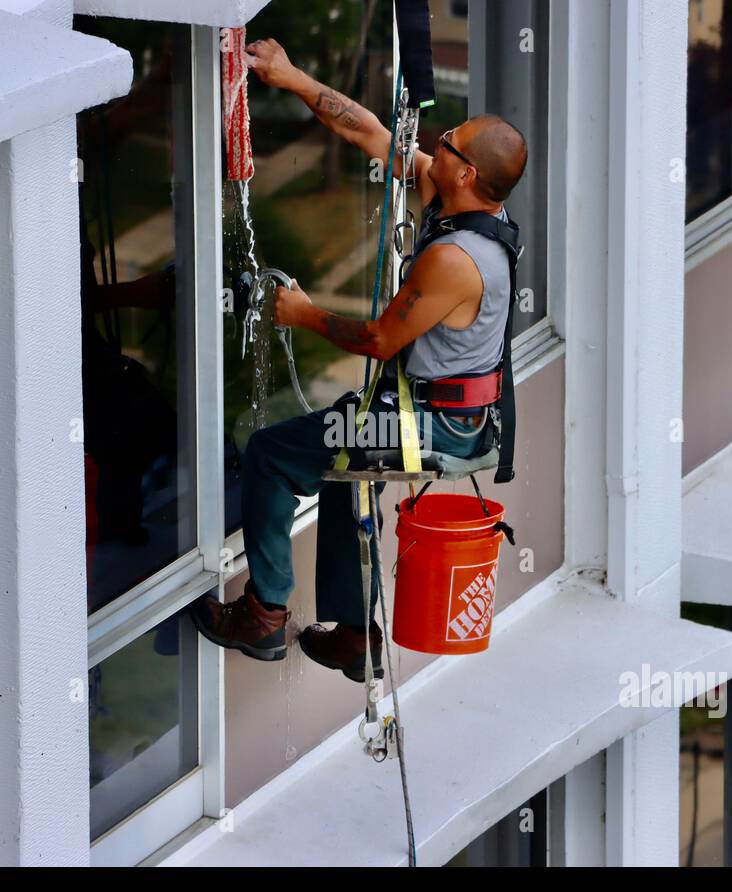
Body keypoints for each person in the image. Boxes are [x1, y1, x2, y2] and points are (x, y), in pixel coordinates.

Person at [191, 37, 528, 682]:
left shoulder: (454, 260)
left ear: (465, 175)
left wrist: (304, 313)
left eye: (448, 142)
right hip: (441, 413)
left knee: (271, 454)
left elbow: (379, 341)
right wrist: (291, 78)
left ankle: (263, 615)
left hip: (437, 425)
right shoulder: (458, 201)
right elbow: (370, 133)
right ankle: (353, 634)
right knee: (345, 461)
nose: (437, 142)